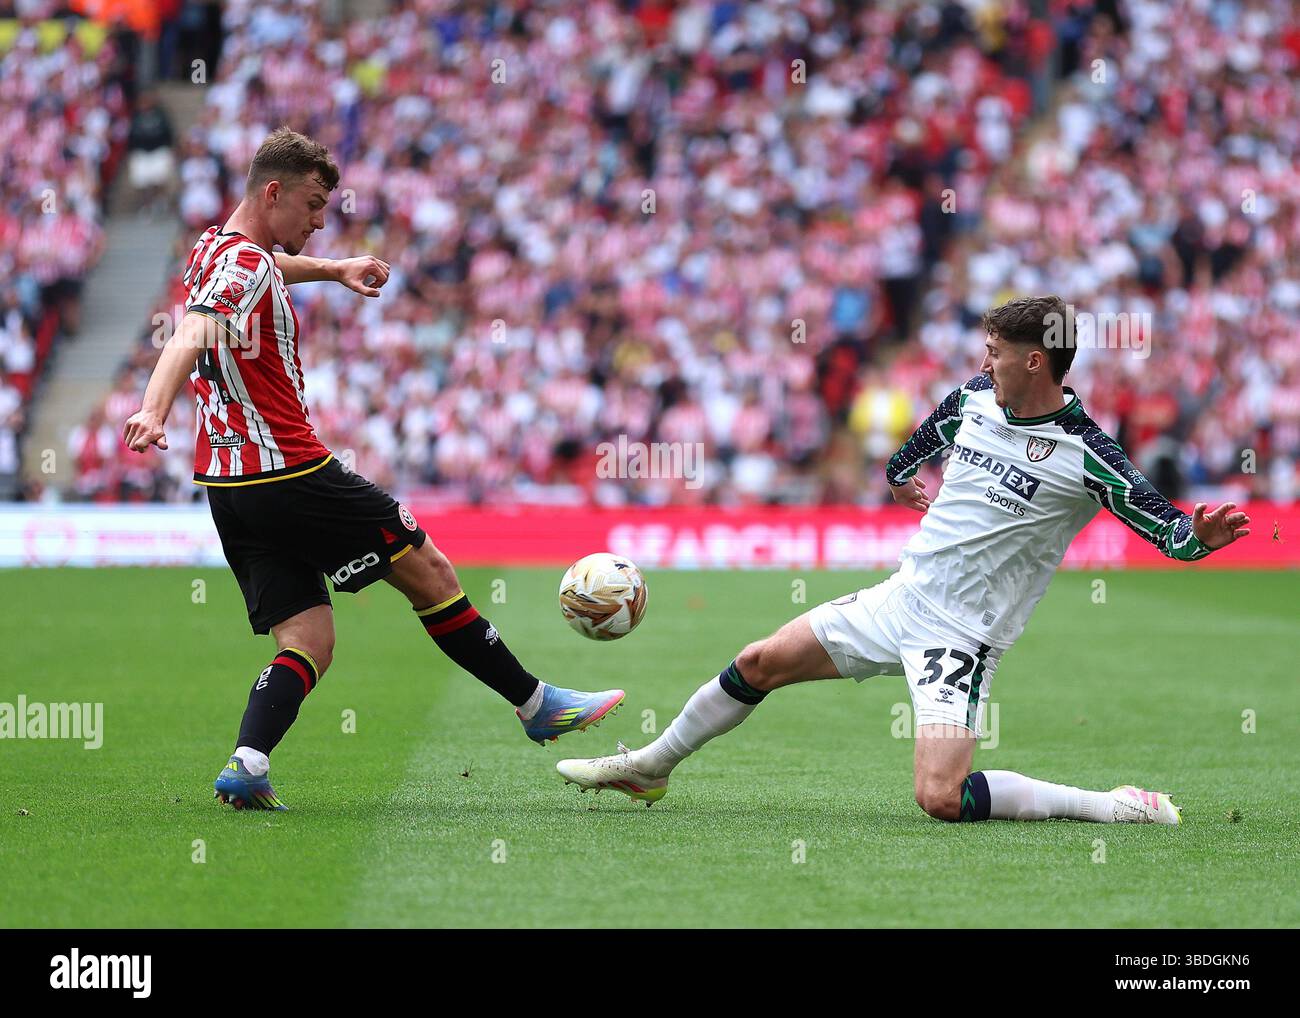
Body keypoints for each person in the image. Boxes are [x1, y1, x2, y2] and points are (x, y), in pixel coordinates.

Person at [556, 295, 1250, 825]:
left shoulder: (1088, 452)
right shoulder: (973, 401)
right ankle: (650, 767)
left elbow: (1168, 532)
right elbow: (911, 450)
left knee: (940, 797)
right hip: (900, 599)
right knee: (757, 661)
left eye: (996, 351)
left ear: (1033, 361)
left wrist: (1202, 538)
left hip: (961, 637)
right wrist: (899, 478)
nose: (985, 363)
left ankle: (1108, 804)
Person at [123, 127, 622, 811]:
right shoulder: (242, 267)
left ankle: (248, 760)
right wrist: (153, 409)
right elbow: (192, 331)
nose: (321, 219)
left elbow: (263, 270)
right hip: (291, 472)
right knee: (432, 572)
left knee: (308, 639)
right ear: (274, 192)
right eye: (314, 204)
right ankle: (536, 703)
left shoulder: (217, 247)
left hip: (230, 488)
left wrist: (331, 268)